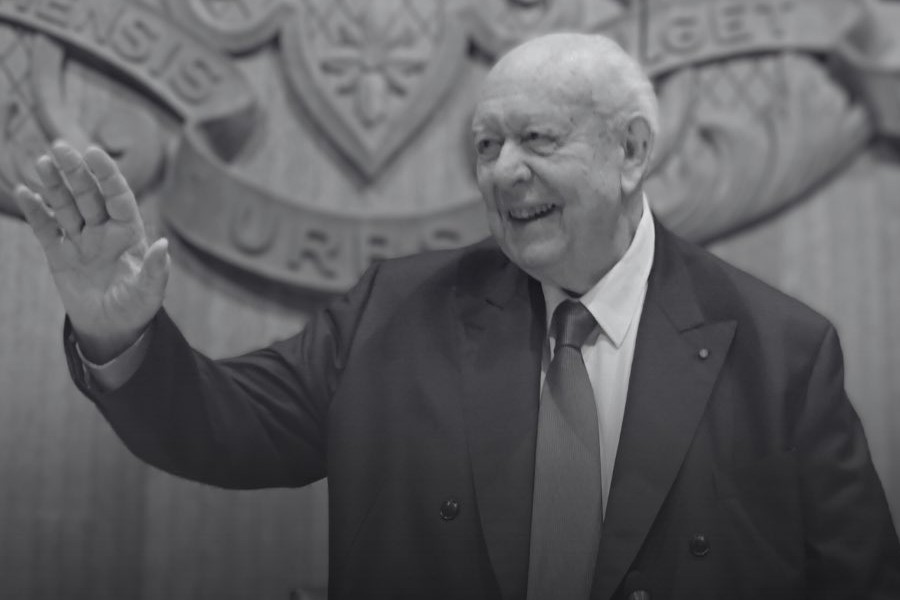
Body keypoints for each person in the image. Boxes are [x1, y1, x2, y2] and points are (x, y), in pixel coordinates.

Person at [14, 32, 900, 600]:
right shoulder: (395, 313)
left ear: (632, 152)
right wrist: (115, 330)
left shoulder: (782, 349)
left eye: (539, 141)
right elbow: (220, 428)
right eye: (487, 146)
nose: (503, 172)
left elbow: (860, 579)